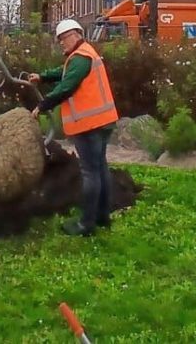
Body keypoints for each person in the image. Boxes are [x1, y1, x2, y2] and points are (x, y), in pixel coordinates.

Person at [30, 18, 119, 236]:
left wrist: (42, 105)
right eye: (59, 39)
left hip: (89, 126)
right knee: (100, 169)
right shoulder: (84, 54)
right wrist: (42, 77)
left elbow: (67, 85)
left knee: (90, 173)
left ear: (76, 34)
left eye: (63, 38)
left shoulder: (80, 57)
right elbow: (65, 72)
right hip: (104, 121)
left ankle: (85, 224)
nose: (61, 43)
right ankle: (102, 217)